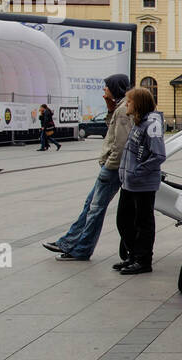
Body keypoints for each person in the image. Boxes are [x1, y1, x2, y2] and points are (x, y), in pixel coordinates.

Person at [44, 74, 131, 261]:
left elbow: (121, 143)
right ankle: (68, 242)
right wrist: (110, 110)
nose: (104, 90)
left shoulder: (124, 109)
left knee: (95, 209)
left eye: (106, 86)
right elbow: (113, 129)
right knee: (90, 206)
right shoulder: (120, 108)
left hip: (113, 169)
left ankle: (82, 249)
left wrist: (110, 165)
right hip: (112, 168)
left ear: (115, 87)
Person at [113, 86, 166, 275]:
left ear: (139, 104)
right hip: (130, 183)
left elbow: (159, 154)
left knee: (143, 222)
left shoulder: (151, 123)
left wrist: (137, 172)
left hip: (142, 184)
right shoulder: (138, 121)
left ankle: (143, 261)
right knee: (124, 220)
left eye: (130, 101)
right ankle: (133, 256)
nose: (126, 103)